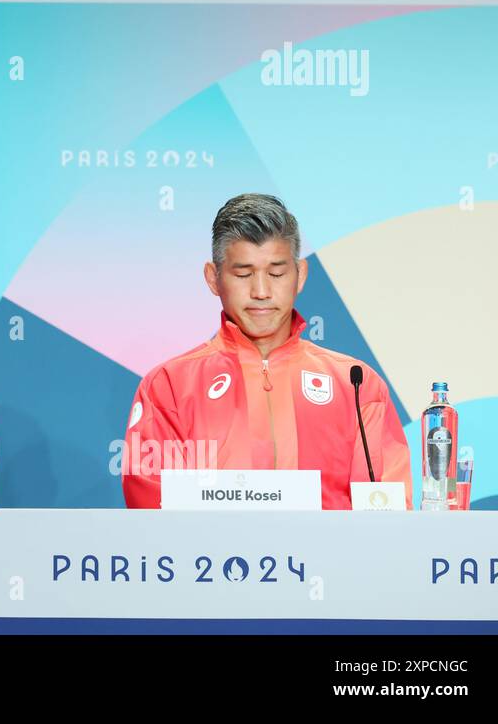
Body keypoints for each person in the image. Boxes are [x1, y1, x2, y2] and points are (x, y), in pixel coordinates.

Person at [121, 193, 412, 509]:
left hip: (330, 558)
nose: (261, 292)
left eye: (276, 273)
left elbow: (387, 512)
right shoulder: (169, 386)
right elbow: (150, 511)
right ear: (213, 278)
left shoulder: (357, 385)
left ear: (300, 275)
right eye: (243, 274)